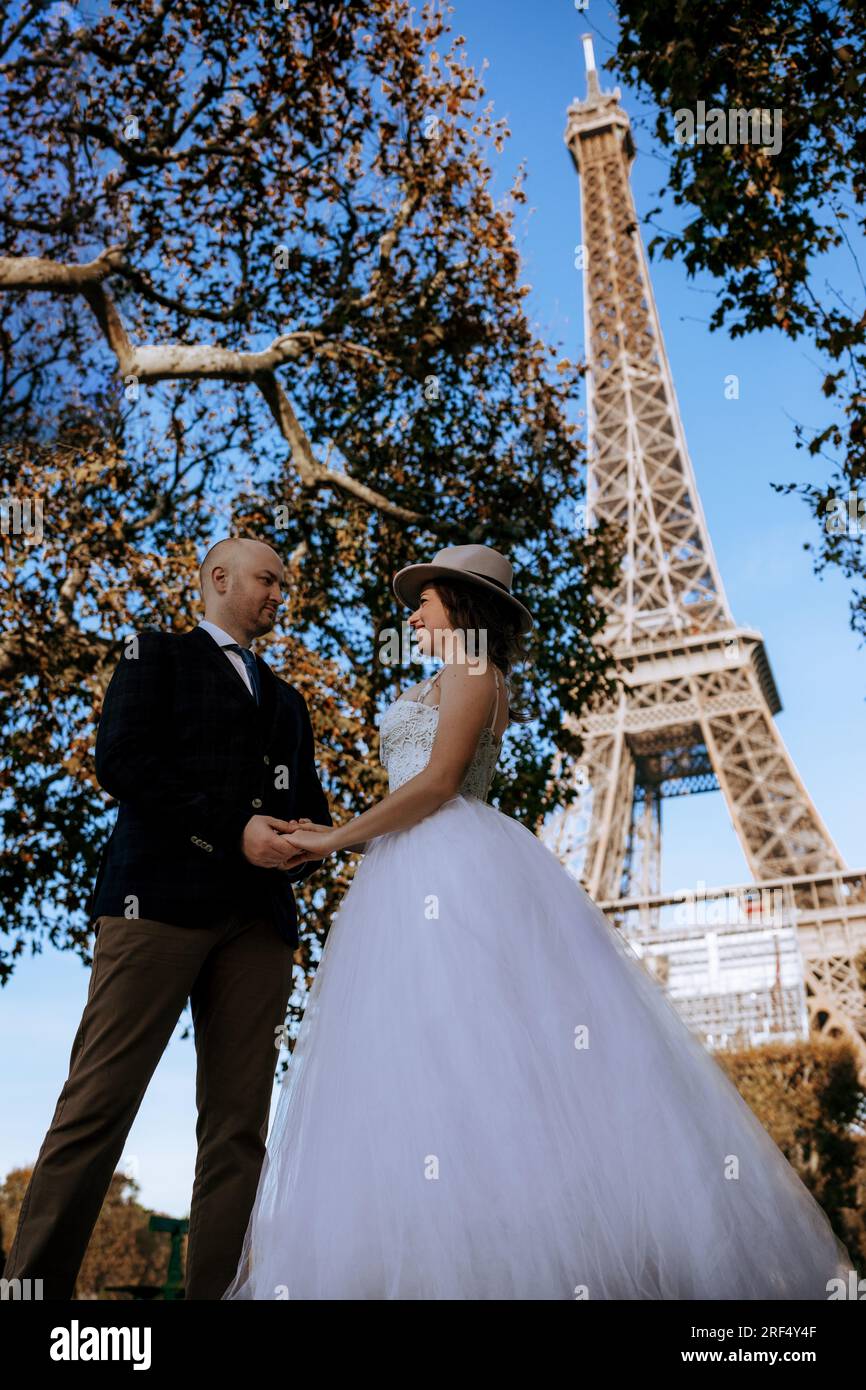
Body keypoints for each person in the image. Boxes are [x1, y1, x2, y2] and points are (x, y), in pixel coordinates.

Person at [221, 543, 856, 1301]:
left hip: (448, 866)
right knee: (419, 1067)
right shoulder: (441, 677)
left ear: (460, 603)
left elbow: (438, 783)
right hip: (403, 875)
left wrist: (331, 836)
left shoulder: (477, 673)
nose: (412, 613)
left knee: (471, 1060)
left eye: (424, 600)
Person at [3, 537, 332, 1300]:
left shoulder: (288, 701)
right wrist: (233, 828)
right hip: (153, 904)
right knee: (98, 1105)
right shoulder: (151, 654)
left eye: (283, 584)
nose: (280, 595)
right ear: (219, 579)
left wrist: (308, 842)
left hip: (259, 925)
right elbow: (120, 760)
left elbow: (307, 808)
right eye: (268, 581)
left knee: (237, 1132)